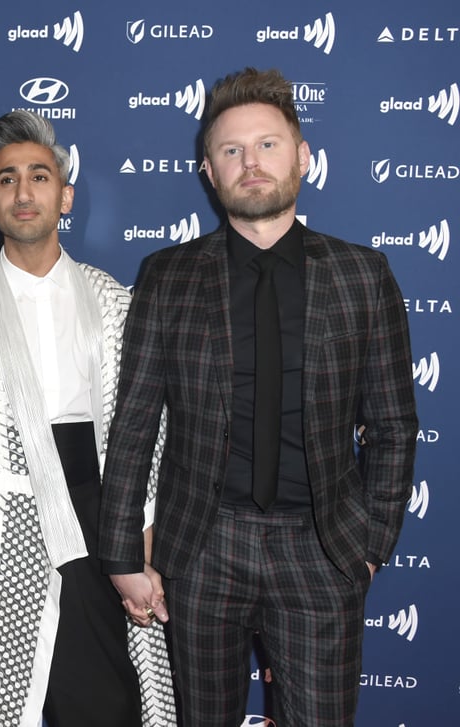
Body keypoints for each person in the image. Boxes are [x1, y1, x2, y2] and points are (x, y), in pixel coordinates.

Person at [100, 67, 418, 726]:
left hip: (323, 547)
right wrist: (124, 555)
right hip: (203, 546)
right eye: (231, 150)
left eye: (268, 145)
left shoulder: (363, 274)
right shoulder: (167, 275)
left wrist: (369, 542)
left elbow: (392, 424)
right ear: (209, 172)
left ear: (303, 157)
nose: (252, 163)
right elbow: (133, 423)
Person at [0, 110, 175, 727]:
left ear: (64, 195)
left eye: (39, 177)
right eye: (7, 180)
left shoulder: (114, 301)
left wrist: (141, 553)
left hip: (99, 518)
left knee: (105, 703)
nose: (24, 192)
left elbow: (143, 444)